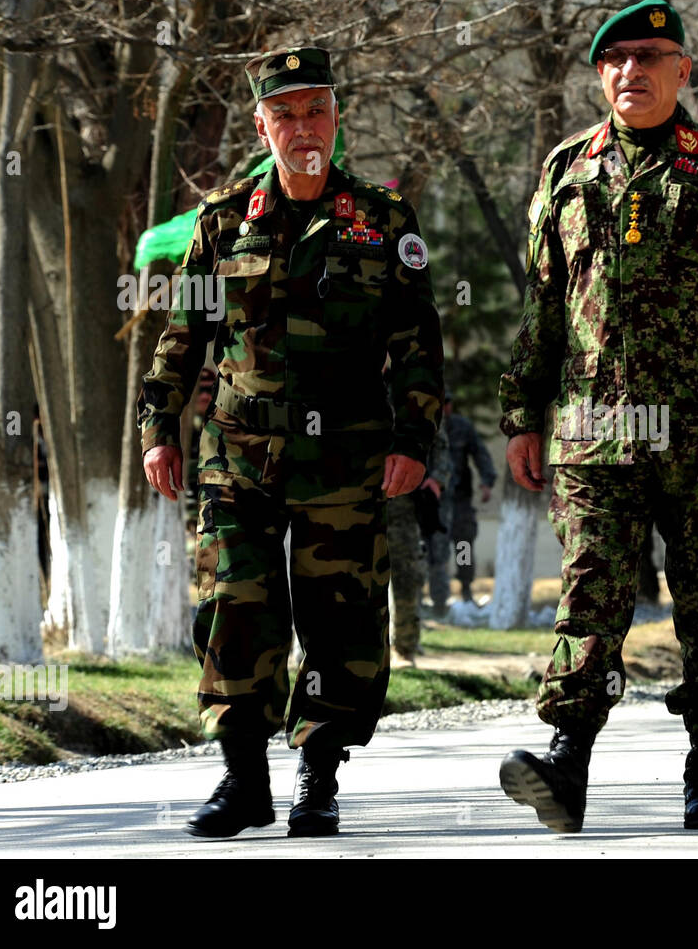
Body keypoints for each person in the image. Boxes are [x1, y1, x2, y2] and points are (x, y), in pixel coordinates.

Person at [496, 0, 698, 832]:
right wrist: (522, 414)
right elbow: (544, 311)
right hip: (594, 430)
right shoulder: (567, 171)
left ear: (682, 71)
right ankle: (568, 763)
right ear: (599, 73)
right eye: (617, 58)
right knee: (591, 589)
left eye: (650, 56)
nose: (632, 70)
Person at [137, 47, 443, 838]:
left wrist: (417, 440)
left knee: (340, 618)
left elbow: (417, 343)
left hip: (347, 458)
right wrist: (157, 428)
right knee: (234, 604)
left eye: (315, 110)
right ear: (261, 123)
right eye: (285, 114)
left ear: (336, 116)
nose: (301, 127)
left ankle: (318, 776)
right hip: (236, 455)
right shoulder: (222, 219)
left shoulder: (383, 221)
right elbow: (184, 334)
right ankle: (243, 778)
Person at [425, 391, 496, 613]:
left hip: (460, 502)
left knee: (463, 546)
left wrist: (486, 481)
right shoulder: (425, 427)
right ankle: (437, 599)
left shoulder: (461, 427)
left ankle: (465, 588)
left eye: (448, 403)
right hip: (434, 502)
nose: (446, 408)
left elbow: (480, 454)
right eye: (442, 403)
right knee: (435, 550)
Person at [388, 422, 451, 667]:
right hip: (348, 496)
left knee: (406, 572)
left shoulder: (406, 388)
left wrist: (437, 478)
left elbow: (437, 437)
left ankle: (403, 648)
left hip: (402, 499)